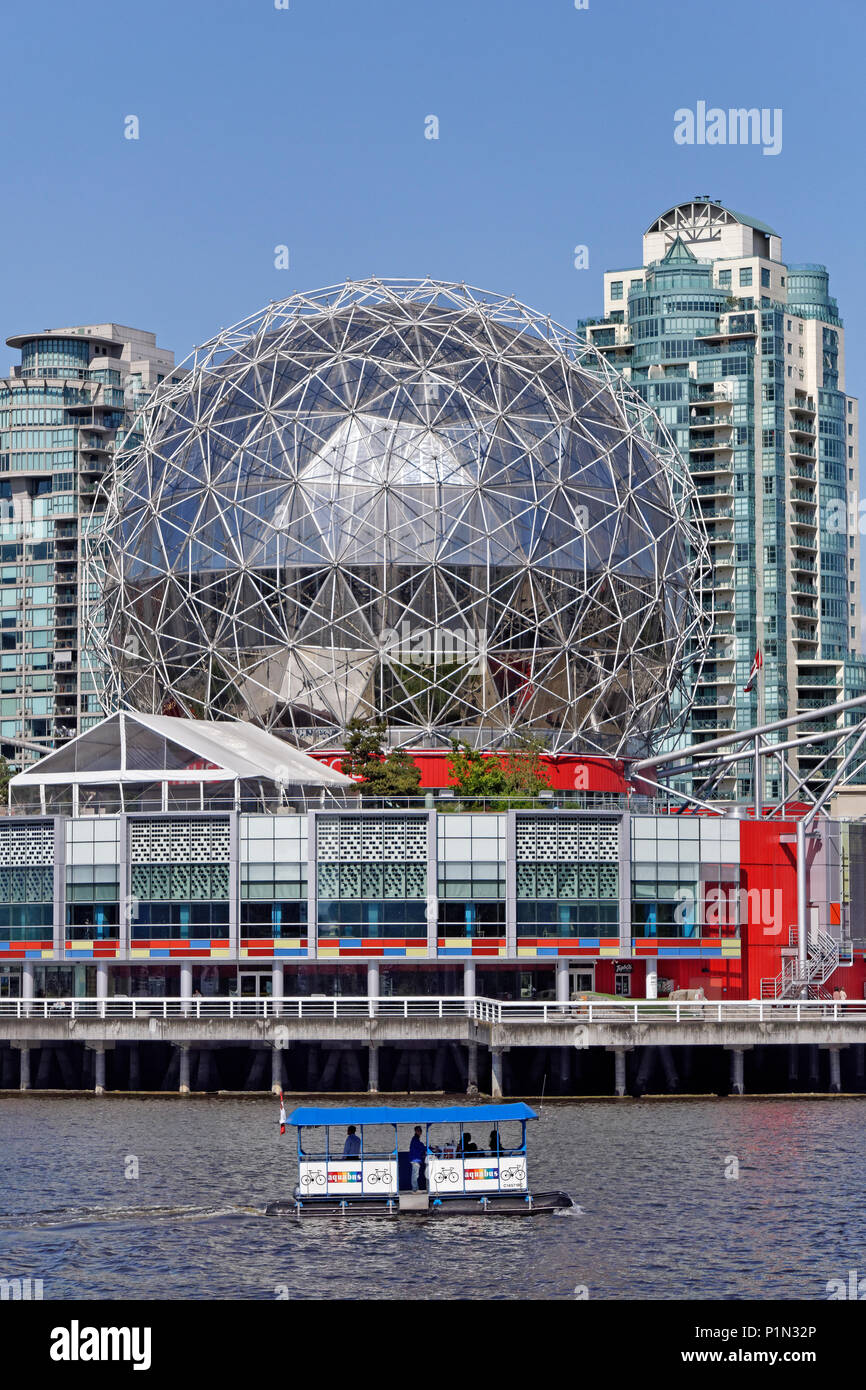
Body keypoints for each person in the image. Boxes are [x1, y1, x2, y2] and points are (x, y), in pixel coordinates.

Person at [408, 1125, 426, 1191]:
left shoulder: (416, 1139)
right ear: (416, 1131)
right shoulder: (415, 1139)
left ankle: (415, 1188)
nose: (420, 1132)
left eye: (420, 1131)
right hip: (415, 1159)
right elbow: (421, 1146)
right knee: (415, 1175)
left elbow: (420, 1147)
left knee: (415, 1175)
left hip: (416, 1159)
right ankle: (415, 1189)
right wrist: (429, 1148)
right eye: (419, 1131)